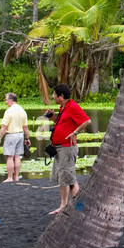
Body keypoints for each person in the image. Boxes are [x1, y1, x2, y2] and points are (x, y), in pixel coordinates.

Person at [47, 83, 91, 215]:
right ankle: (75, 207)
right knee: (67, 178)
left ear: (61, 96)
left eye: (54, 94)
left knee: (67, 178)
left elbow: (87, 121)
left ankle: (67, 206)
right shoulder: (63, 108)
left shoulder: (72, 106)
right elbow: (61, 125)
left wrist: (75, 132)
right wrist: (53, 117)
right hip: (60, 148)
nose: (53, 96)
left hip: (67, 148)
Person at [0, 92, 29, 183]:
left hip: (11, 135)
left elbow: (4, 127)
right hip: (20, 135)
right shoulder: (22, 110)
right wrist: (27, 138)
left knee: (10, 157)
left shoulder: (9, 111)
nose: (5, 101)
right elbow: (25, 127)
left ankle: (10, 178)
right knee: (17, 156)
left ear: (11, 100)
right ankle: (16, 177)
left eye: (6, 99)